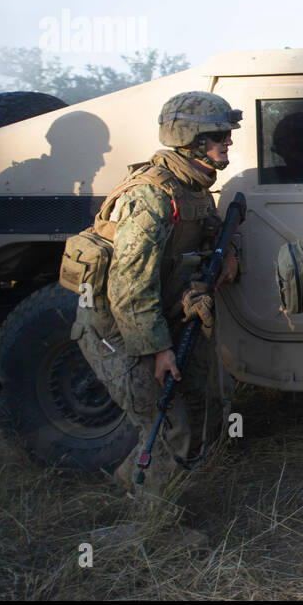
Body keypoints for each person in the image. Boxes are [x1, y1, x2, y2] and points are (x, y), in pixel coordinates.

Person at [71, 92, 242, 536]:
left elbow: (204, 239)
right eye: (217, 136)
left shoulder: (194, 185)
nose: (227, 144)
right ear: (189, 140)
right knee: (168, 422)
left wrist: (228, 256)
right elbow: (129, 288)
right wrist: (158, 351)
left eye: (227, 134)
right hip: (122, 330)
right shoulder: (151, 196)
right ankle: (149, 529)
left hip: (160, 321)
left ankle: (132, 483)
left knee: (195, 413)